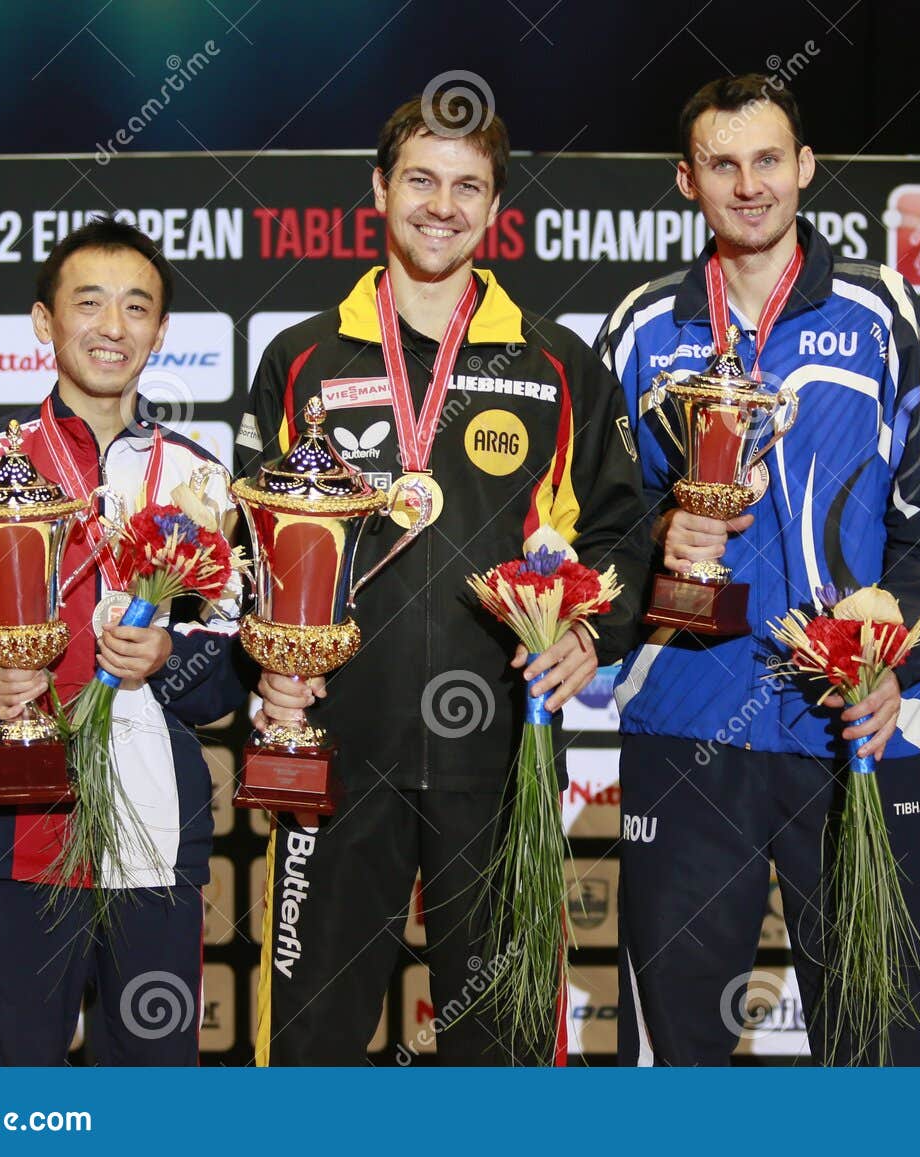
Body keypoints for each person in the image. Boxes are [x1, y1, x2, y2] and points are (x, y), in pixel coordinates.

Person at [238, 95, 648, 1066]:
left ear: (495, 204)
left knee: (500, 1045)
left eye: (467, 185)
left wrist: (595, 634)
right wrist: (269, 663)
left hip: (502, 757)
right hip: (335, 748)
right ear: (379, 189)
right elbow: (247, 546)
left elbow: (626, 530)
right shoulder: (299, 359)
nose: (440, 205)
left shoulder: (555, 363)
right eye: (419, 179)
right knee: (311, 1042)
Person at [596, 74, 920, 1065]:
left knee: (882, 1046)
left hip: (852, 720)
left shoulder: (882, 312)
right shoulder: (643, 325)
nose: (749, 184)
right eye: (723, 164)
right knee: (682, 1050)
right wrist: (656, 544)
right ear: (687, 181)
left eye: (768, 159)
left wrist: (895, 663)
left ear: (805, 169)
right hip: (681, 724)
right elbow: (582, 519)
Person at [0, 217, 244, 1065]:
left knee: (150, 1097)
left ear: (160, 330)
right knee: (12, 1088)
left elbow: (238, 658)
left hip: (156, 842)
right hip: (18, 837)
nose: (112, 327)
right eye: (89, 304)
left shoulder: (199, 477)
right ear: (45, 323)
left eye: (136, 307)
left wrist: (170, 663)